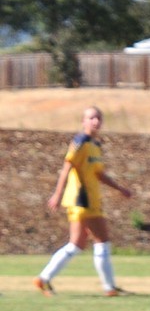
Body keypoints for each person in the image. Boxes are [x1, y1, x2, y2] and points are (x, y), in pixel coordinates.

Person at [36, 106, 135, 296]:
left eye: (98, 118)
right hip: (82, 199)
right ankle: (109, 288)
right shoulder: (80, 141)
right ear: (83, 121)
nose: (96, 121)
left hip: (86, 200)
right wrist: (57, 194)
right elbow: (67, 167)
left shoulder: (95, 145)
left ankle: (43, 279)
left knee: (77, 244)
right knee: (102, 241)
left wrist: (119, 188)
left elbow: (98, 173)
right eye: (91, 118)